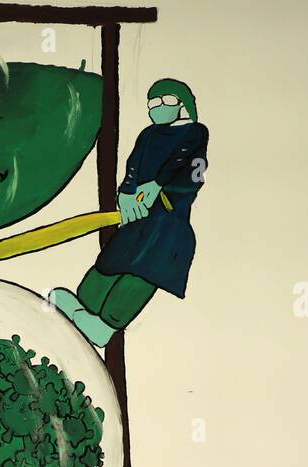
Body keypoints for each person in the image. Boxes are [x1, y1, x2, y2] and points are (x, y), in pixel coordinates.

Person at [50, 78, 209, 345]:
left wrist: (158, 187)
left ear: (182, 103)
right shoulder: (148, 135)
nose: (158, 107)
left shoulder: (195, 132)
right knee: (108, 265)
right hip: (136, 216)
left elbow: (185, 166)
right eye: (153, 102)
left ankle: (105, 326)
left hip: (166, 221)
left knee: (142, 272)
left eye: (165, 100)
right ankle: (83, 307)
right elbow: (133, 166)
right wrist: (126, 193)